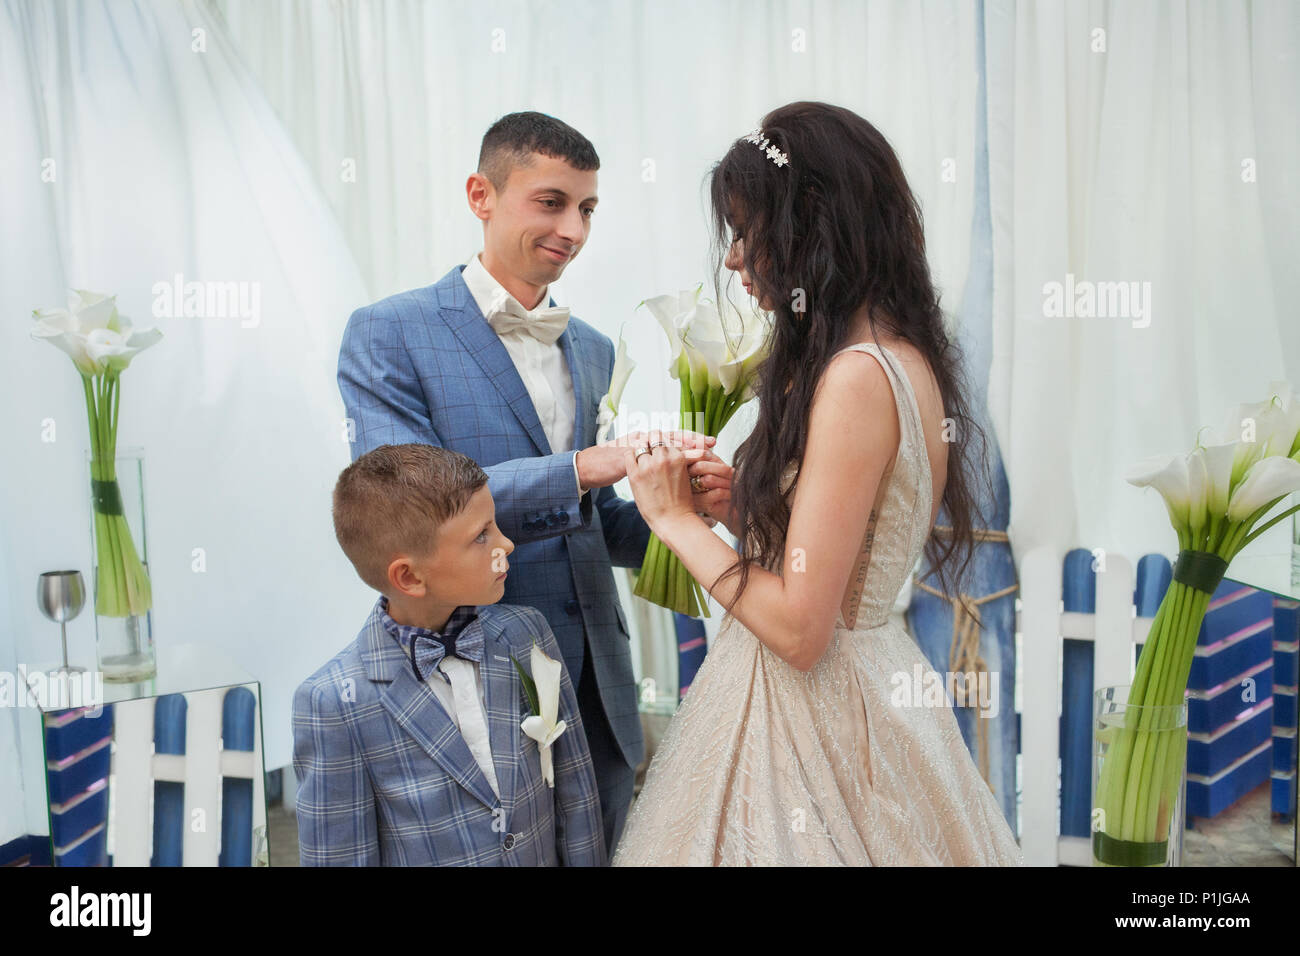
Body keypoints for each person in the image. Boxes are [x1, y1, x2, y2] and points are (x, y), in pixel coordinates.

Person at [611, 102, 1025, 865]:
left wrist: (675, 523)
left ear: (813, 226)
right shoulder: (903, 355)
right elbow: (857, 545)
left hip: (810, 716)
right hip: (870, 683)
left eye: (744, 231)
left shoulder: (854, 379)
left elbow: (803, 632)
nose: (733, 260)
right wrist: (748, 509)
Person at [336, 111, 731, 856]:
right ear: (480, 195)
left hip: (599, 688)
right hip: (469, 672)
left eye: (586, 209)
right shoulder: (388, 331)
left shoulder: (591, 349)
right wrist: (588, 465)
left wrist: (680, 506)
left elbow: (593, 520)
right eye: (551, 202)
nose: (574, 230)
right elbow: (404, 504)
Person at [293, 443, 605, 865]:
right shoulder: (334, 702)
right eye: (481, 536)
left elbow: (576, 794)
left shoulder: (526, 633)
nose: (506, 544)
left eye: (495, 525)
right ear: (409, 576)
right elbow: (340, 855)